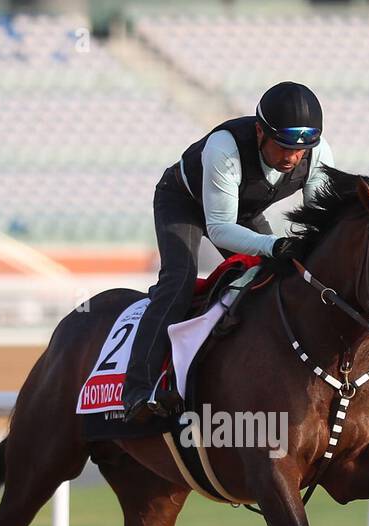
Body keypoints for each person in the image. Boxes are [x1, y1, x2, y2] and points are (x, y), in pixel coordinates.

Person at [120, 81, 336, 423]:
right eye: (283, 147)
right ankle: (136, 391)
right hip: (184, 203)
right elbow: (219, 228)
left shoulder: (318, 152)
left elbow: (321, 224)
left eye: (302, 150)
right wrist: (275, 244)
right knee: (179, 280)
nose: (293, 158)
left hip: (242, 212)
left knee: (281, 279)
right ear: (259, 132)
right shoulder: (225, 147)